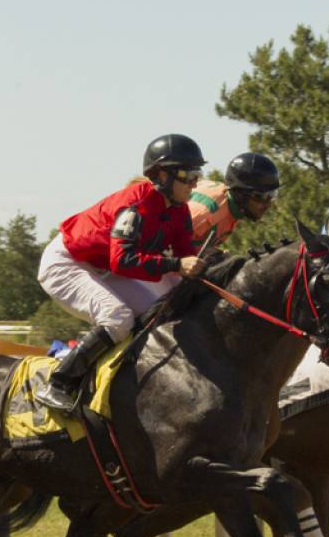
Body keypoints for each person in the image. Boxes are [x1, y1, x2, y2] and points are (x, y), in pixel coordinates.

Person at [33, 134, 207, 412]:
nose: (195, 183)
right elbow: (123, 261)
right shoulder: (135, 206)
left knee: (167, 308)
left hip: (103, 265)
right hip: (66, 262)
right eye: (188, 175)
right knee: (117, 318)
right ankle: (59, 381)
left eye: (198, 174)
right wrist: (176, 265)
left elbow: (187, 260)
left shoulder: (179, 211)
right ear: (161, 175)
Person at [186, 151, 279, 251]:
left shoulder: (234, 208)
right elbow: (169, 245)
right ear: (240, 193)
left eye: (272, 194)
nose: (268, 204)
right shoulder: (206, 213)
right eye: (261, 196)